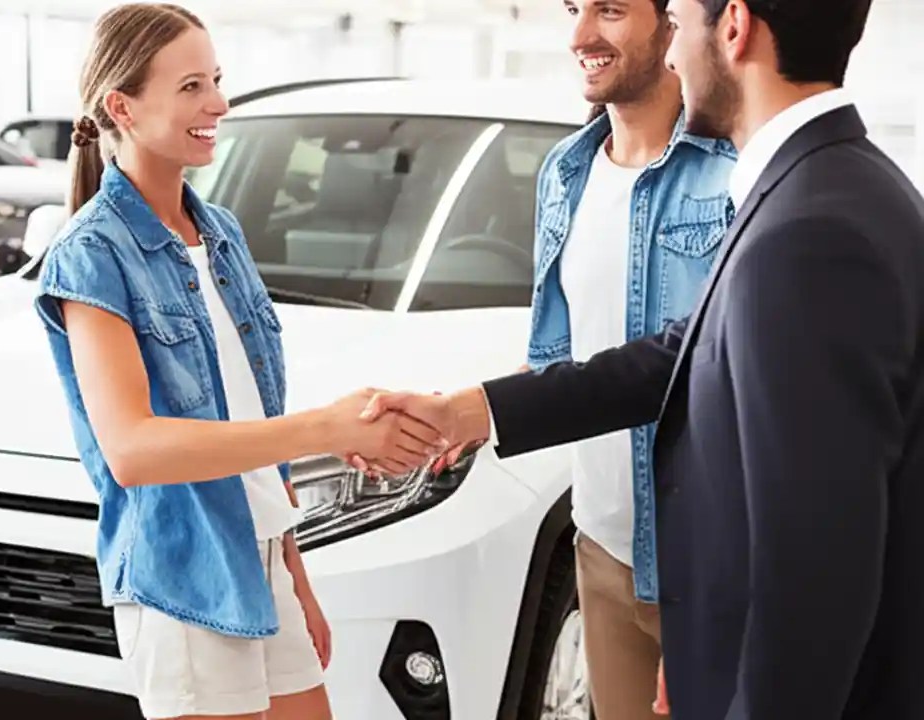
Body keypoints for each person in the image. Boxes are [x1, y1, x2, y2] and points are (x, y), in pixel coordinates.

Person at [355, 0, 924, 718]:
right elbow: (676, 357)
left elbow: (813, 571)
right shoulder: (824, 189)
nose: (678, 56)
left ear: (735, 27)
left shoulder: (808, 233)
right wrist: (468, 411)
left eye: (680, 21)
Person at [30, 5, 445, 720]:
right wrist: (327, 429)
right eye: (191, 86)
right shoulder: (92, 255)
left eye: (216, 80)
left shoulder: (219, 234)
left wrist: (293, 569)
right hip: (183, 580)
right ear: (120, 107)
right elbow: (132, 449)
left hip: (263, 560)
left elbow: (249, 416)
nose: (218, 102)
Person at [520, 0, 734, 715]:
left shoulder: (733, 170)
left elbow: (738, 390)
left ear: (672, 22)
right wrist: (445, 420)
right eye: (575, 8)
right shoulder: (565, 173)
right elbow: (558, 365)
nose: (581, 36)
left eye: (609, 10)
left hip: (704, 565)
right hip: (602, 549)